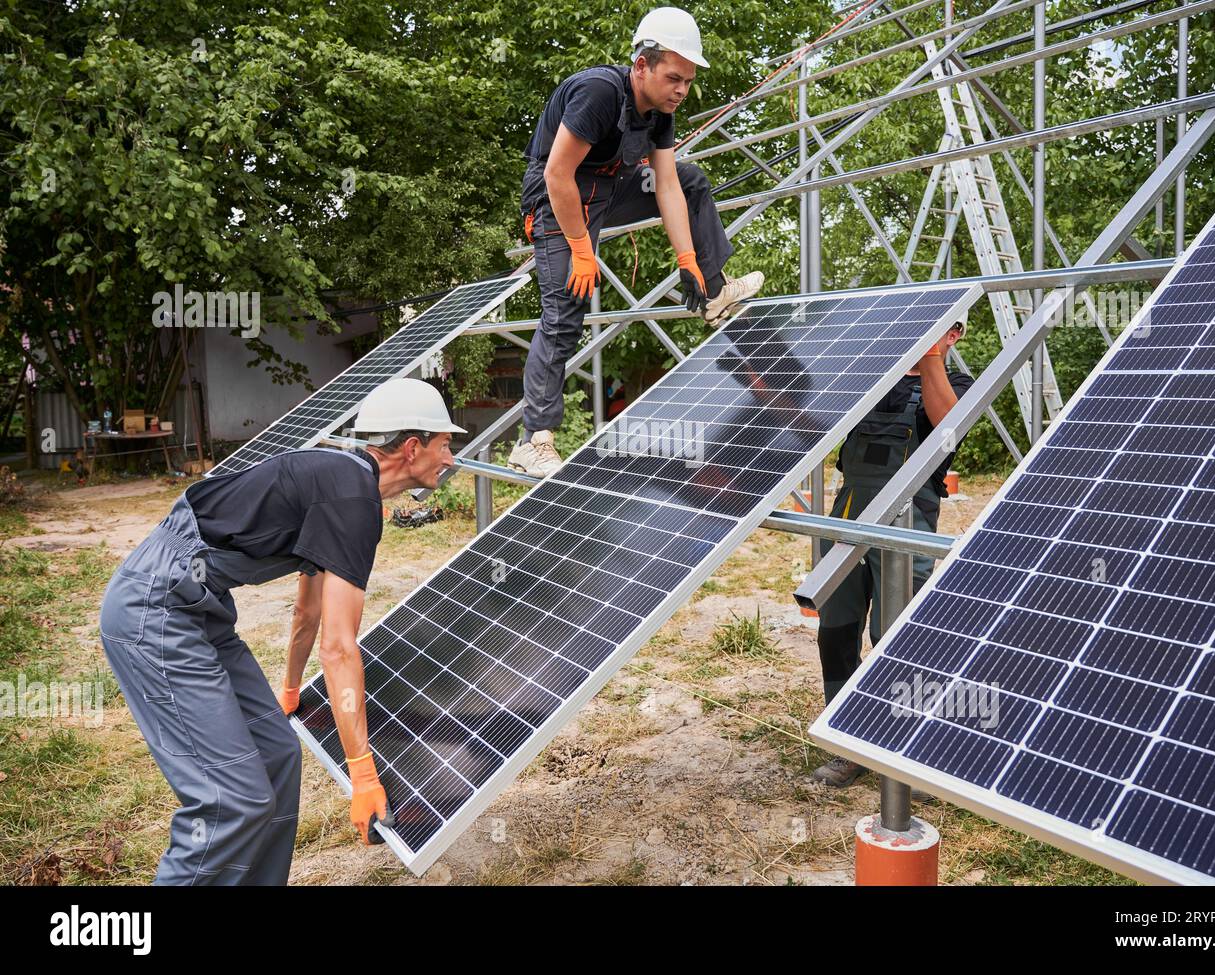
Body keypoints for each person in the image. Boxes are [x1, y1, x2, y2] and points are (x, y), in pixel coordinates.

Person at [98, 377, 460, 884]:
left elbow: (307, 615)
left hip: (200, 610)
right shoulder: (351, 499)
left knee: (277, 755)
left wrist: (289, 690)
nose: (451, 458)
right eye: (446, 445)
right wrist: (363, 773)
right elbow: (338, 648)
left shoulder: (343, 485)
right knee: (230, 800)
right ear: (413, 447)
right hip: (155, 608)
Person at [509, 6, 765, 478]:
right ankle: (534, 440)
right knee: (566, 307)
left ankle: (714, 291)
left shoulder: (660, 111)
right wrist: (582, 251)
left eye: (688, 81)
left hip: (611, 189)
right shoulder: (599, 93)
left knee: (691, 181)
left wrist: (687, 260)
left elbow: (666, 185)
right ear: (641, 66)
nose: (681, 90)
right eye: (674, 78)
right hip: (557, 199)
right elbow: (556, 173)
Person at [812, 320, 973, 788]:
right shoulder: (871, 376)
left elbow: (950, 427)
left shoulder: (953, 381)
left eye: (943, 328)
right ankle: (849, 739)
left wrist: (930, 361)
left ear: (955, 335)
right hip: (847, 512)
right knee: (836, 628)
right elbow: (814, 422)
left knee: (898, 637)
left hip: (908, 518)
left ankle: (911, 752)